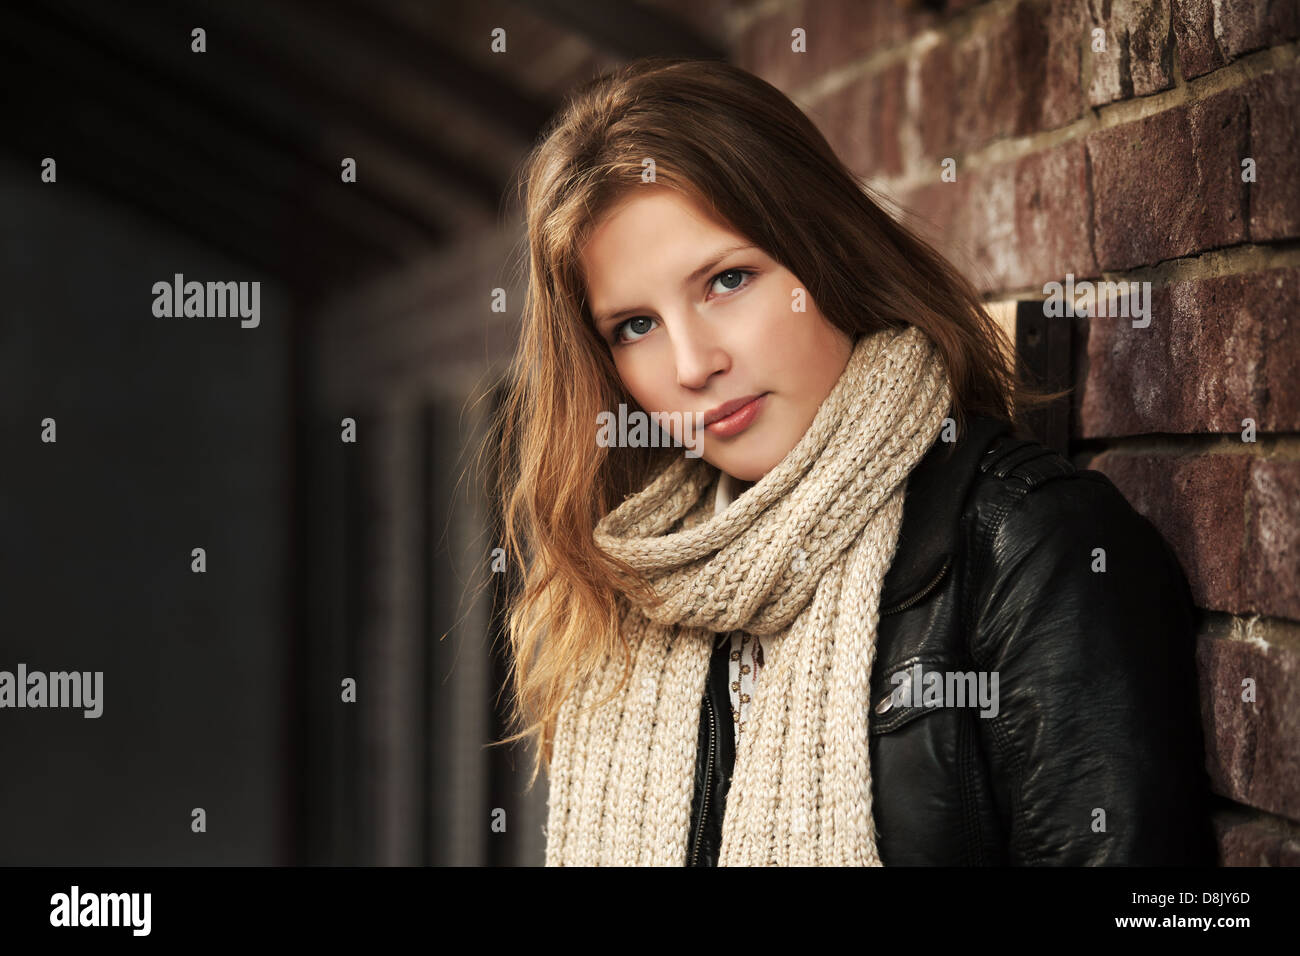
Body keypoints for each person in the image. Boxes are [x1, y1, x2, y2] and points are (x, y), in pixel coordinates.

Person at [488, 57, 1216, 866]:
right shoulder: (641, 582)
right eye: (634, 326)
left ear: (826, 256)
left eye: (729, 280)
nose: (692, 363)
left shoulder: (1031, 549)